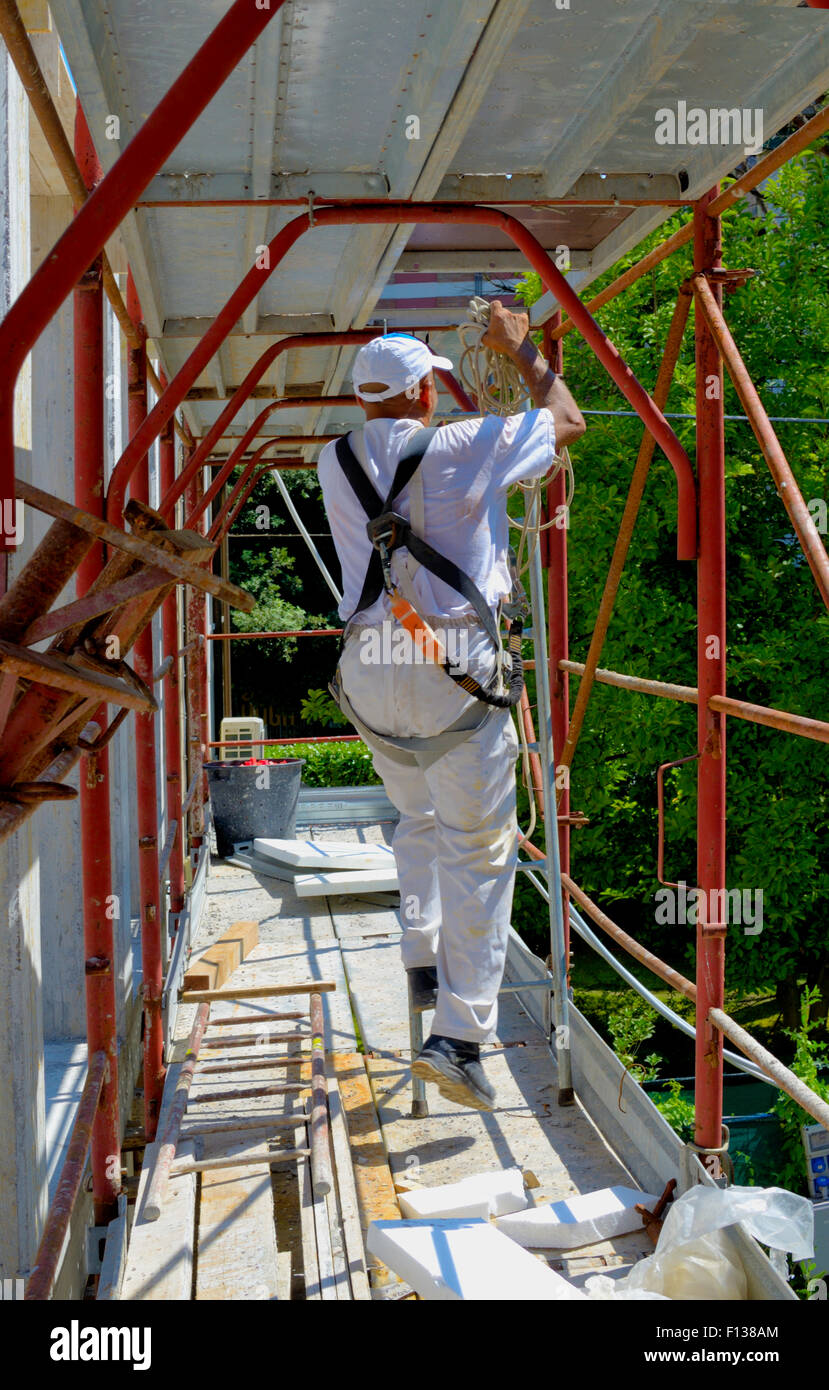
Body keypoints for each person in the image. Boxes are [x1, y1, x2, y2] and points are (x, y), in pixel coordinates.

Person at [317, 302, 585, 1110]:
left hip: (370, 666)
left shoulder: (331, 458)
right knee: (478, 849)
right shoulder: (468, 444)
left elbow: (411, 453)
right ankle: (461, 1038)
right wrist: (520, 351)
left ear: (364, 397)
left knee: (420, 819)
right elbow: (564, 419)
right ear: (428, 393)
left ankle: (422, 955)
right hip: (449, 660)